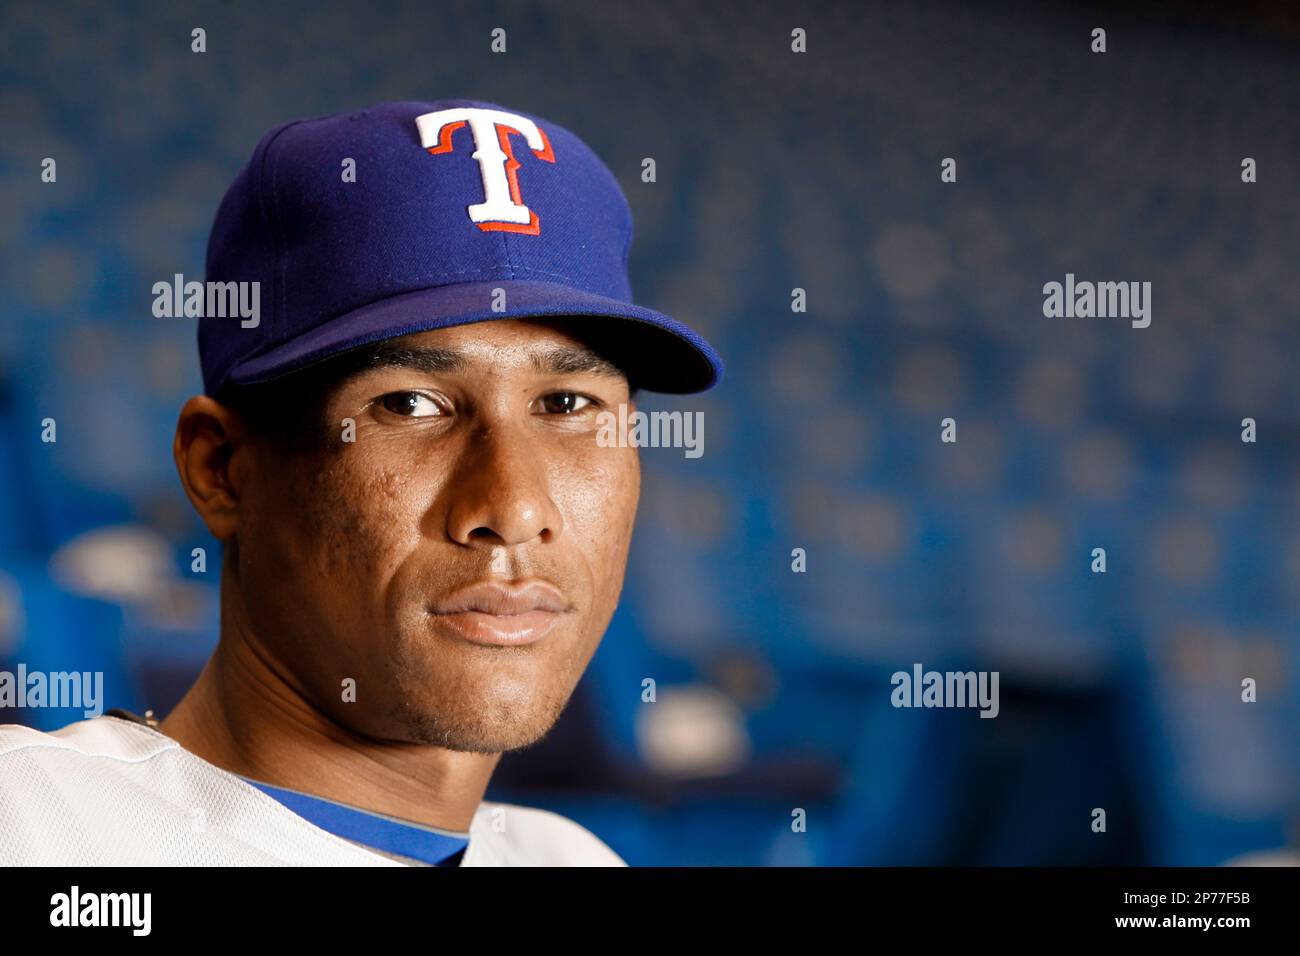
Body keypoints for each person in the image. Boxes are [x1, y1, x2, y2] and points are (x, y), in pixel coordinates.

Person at [0, 98, 722, 866]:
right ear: (221, 470)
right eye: (409, 405)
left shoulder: (569, 858)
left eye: (568, 404)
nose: (514, 509)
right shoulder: (33, 826)